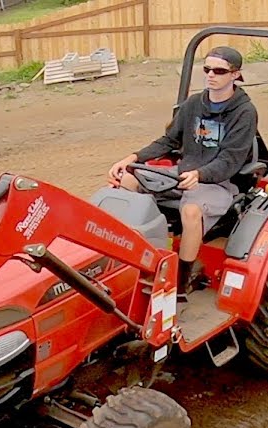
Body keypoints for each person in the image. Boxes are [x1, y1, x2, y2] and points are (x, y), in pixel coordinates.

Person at [107, 46, 259, 299]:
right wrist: (131, 158)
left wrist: (199, 175)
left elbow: (230, 160)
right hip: (182, 174)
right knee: (127, 180)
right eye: (207, 69)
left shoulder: (244, 112)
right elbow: (168, 141)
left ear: (235, 75)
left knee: (190, 211)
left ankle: (180, 280)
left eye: (219, 71)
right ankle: (126, 257)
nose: (211, 75)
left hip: (218, 183)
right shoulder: (192, 104)